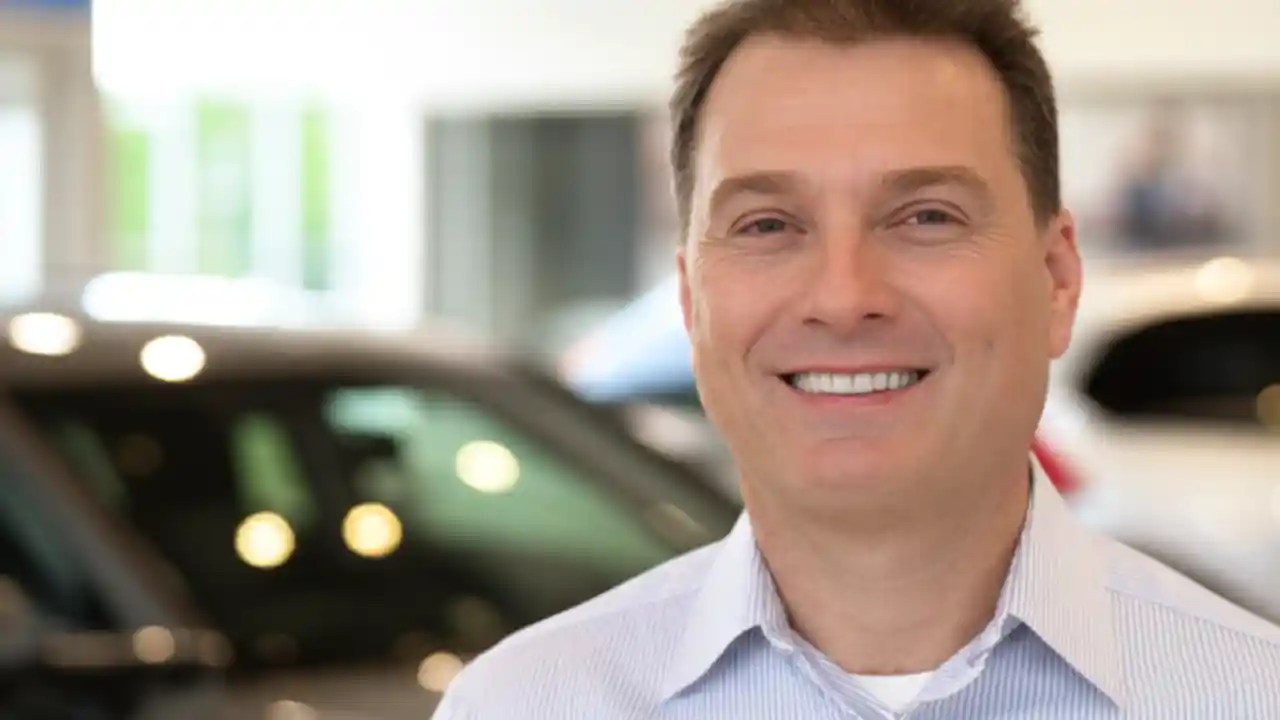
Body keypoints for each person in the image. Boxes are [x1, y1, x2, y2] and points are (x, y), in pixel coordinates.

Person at [432, 1, 1280, 717]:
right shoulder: (526, 704)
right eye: (768, 225)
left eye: (926, 217)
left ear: (1056, 280)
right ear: (692, 305)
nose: (843, 297)